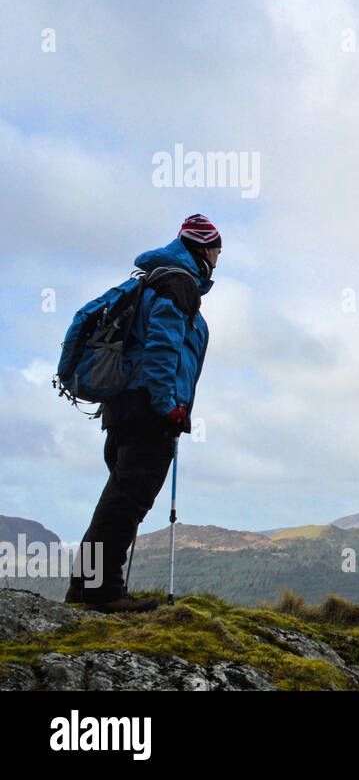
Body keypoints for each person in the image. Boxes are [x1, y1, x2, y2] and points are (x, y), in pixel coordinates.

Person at [66, 214, 220, 613]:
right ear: (203, 248)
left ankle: (84, 588)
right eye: (217, 248)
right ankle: (103, 593)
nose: (219, 257)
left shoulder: (156, 278)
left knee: (116, 498)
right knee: (127, 502)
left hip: (123, 407)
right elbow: (163, 347)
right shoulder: (177, 283)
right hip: (148, 411)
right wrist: (168, 406)